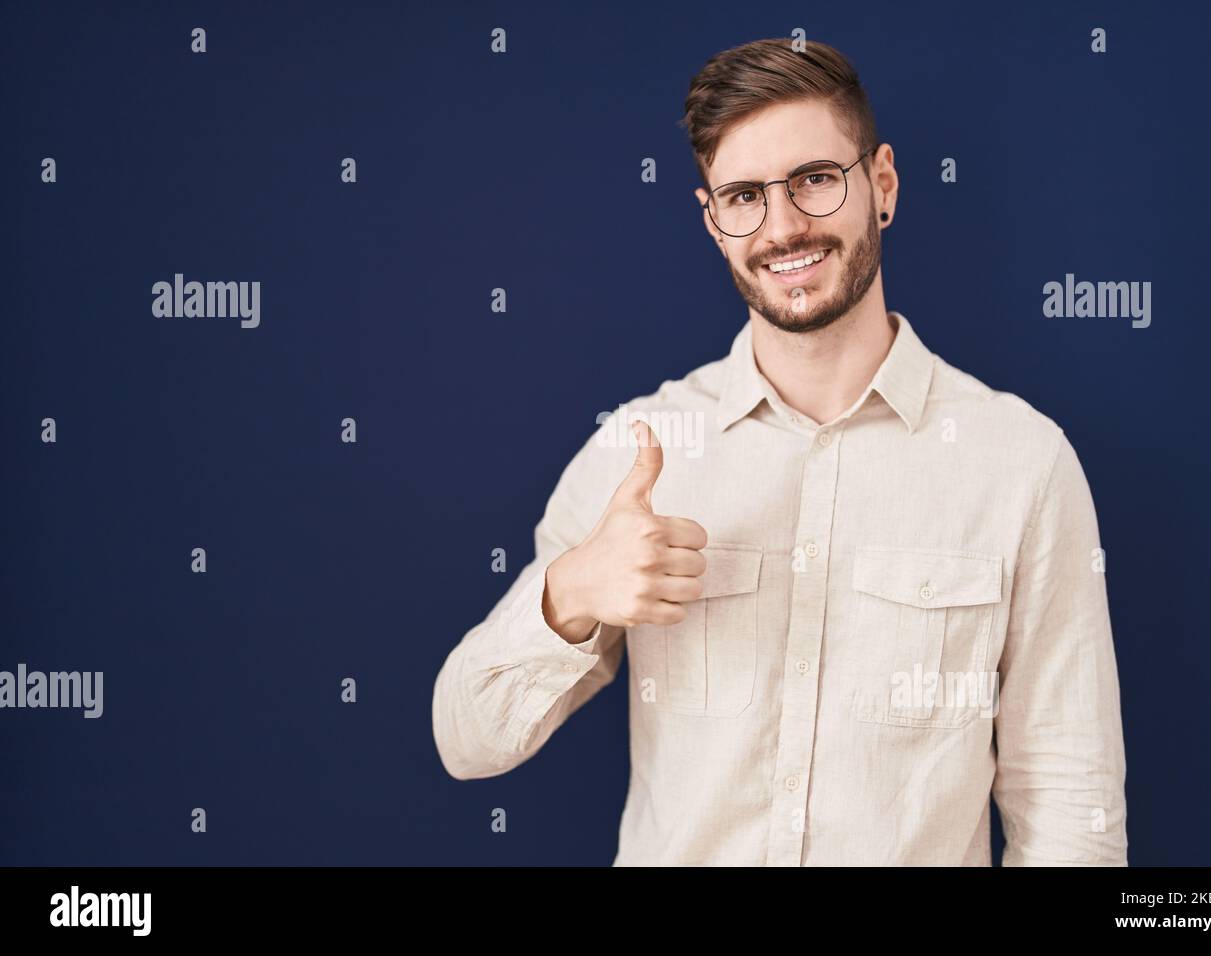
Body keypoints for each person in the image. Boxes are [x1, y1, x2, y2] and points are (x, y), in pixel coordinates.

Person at [432, 37, 1128, 866]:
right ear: (713, 222)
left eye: (815, 179)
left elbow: (1071, 810)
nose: (784, 225)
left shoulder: (1021, 462)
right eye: (744, 196)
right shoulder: (644, 447)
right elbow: (465, 740)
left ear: (883, 184)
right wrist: (573, 591)